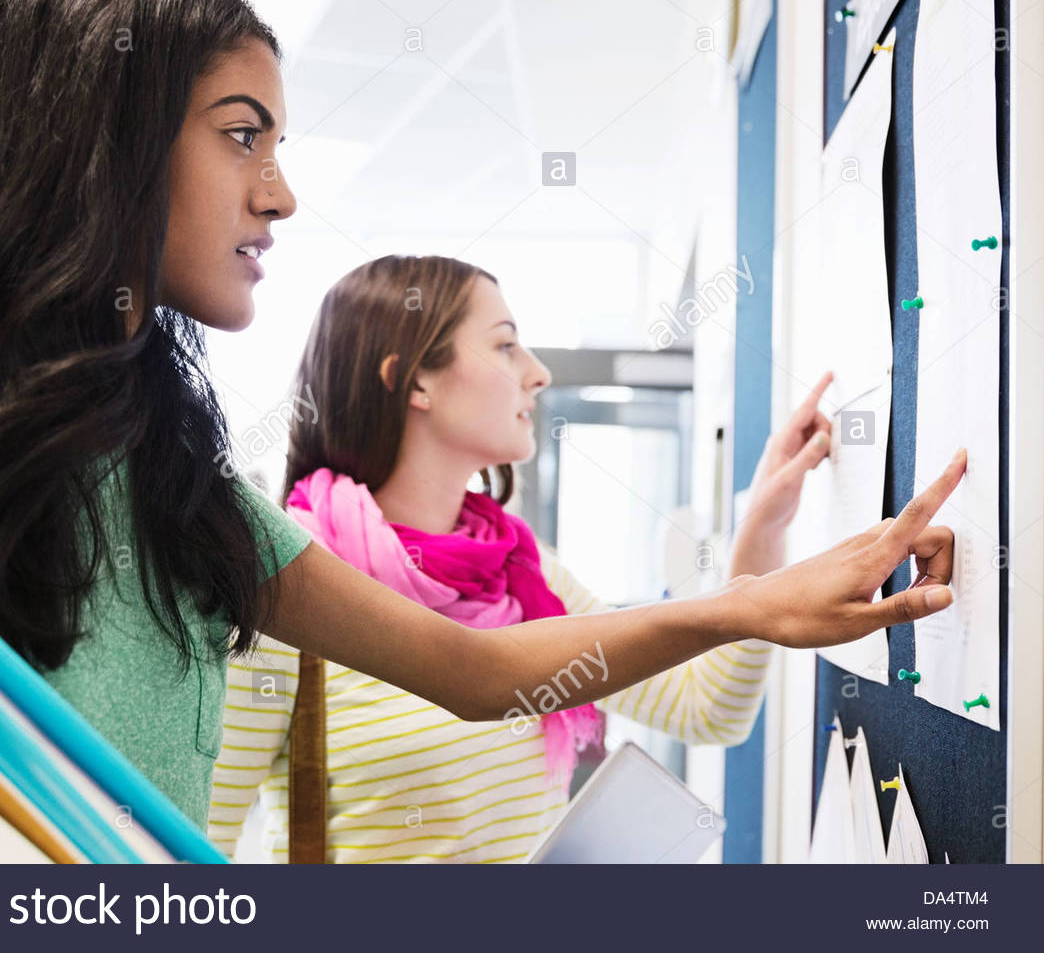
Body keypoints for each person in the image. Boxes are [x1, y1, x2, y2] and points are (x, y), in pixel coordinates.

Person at [0, 0, 964, 837]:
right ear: (101, 143)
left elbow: (474, 673)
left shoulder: (184, 494)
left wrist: (753, 592)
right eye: (241, 138)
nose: (279, 196)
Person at [209, 256, 834, 862]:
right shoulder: (292, 589)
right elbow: (191, 855)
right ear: (417, 381)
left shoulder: (524, 575)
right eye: (505, 345)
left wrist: (764, 523)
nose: (537, 373)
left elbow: (709, 709)